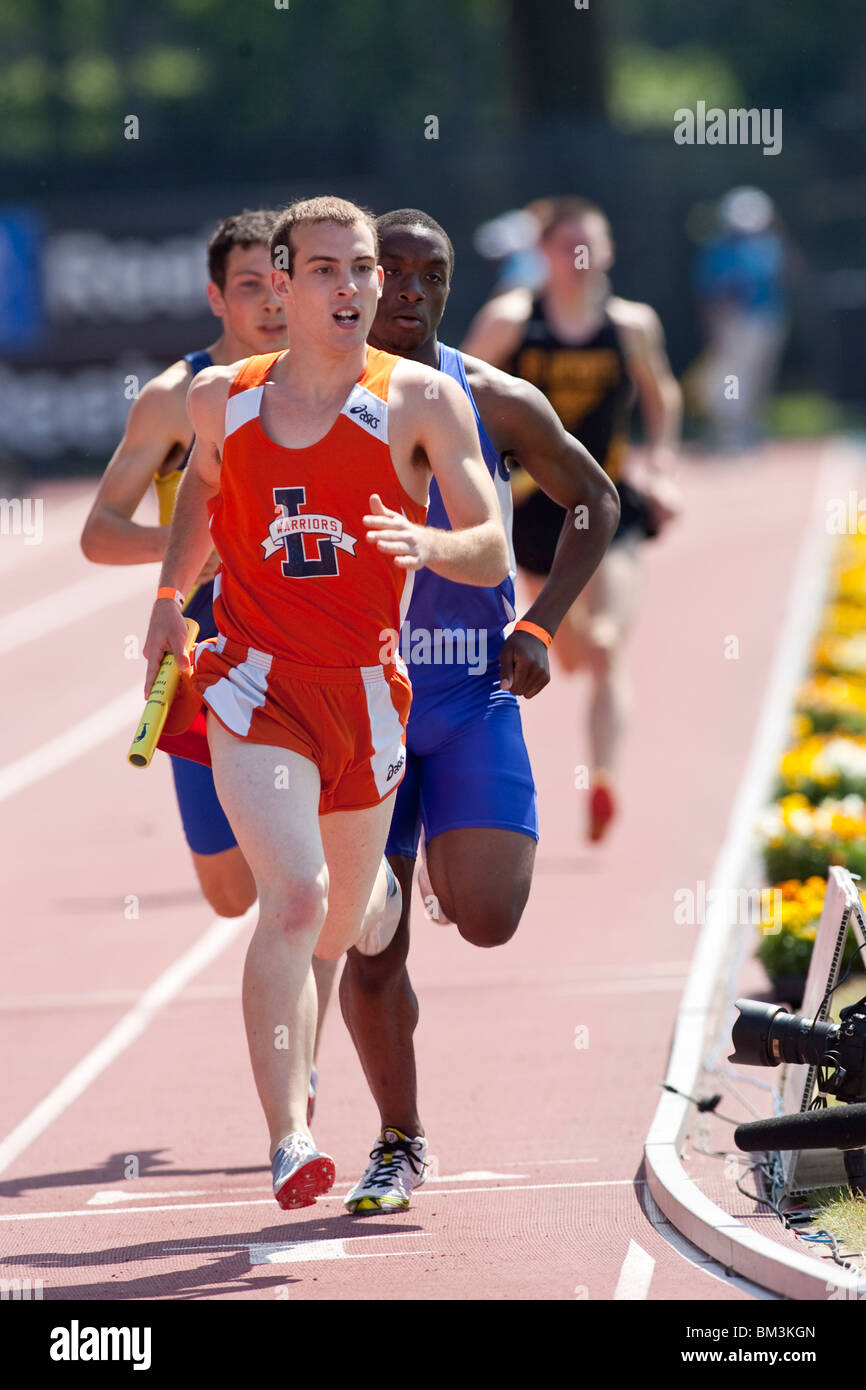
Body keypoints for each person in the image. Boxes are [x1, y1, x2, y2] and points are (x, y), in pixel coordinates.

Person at [141, 195, 510, 1210]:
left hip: (366, 691)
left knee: (344, 919)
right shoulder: (223, 399)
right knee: (292, 899)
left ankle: (387, 895)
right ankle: (290, 1136)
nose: (350, 288)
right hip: (255, 683)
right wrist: (172, 599)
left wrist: (431, 545)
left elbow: (491, 544)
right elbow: (202, 499)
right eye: (325, 272)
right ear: (282, 285)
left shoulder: (421, 401)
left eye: (361, 271)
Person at [338, 208, 619, 1214]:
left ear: (451, 287)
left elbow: (593, 500)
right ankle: (398, 1138)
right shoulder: (303, 398)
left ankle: (446, 863)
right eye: (390, 271)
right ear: (359, 280)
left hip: (467, 691)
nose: (407, 290)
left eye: (429, 274)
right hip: (356, 701)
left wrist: (540, 627)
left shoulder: (490, 398)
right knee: (374, 943)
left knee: (491, 916)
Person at [80, 209, 336, 1112]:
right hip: (203, 666)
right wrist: (187, 554)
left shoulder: (328, 386)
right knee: (232, 892)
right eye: (250, 289)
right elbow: (96, 531)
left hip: (307, 655)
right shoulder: (174, 397)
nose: (272, 304)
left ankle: (298, 1066)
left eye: (281, 283)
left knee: (300, 886)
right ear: (215, 296)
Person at [462, 195, 682, 842]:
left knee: (609, 646)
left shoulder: (632, 325)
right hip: (534, 514)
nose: (579, 259)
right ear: (545, 255)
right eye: (566, 247)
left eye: (591, 245)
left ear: (609, 251)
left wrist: (662, 464)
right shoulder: (512, 322)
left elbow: (661, 390)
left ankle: (605, 777)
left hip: (606, 502)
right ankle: (577, 646)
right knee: (576, 649)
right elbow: (450, 386)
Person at [692, 186, 789, 452]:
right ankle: (727, 433)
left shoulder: (769, 245)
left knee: (757, 378)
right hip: (733, 323)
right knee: (732, 380)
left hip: (766, 322)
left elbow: (777, 283)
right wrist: (717, 328)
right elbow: (711, 294)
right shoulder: (719, 250)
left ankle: (750, 430)